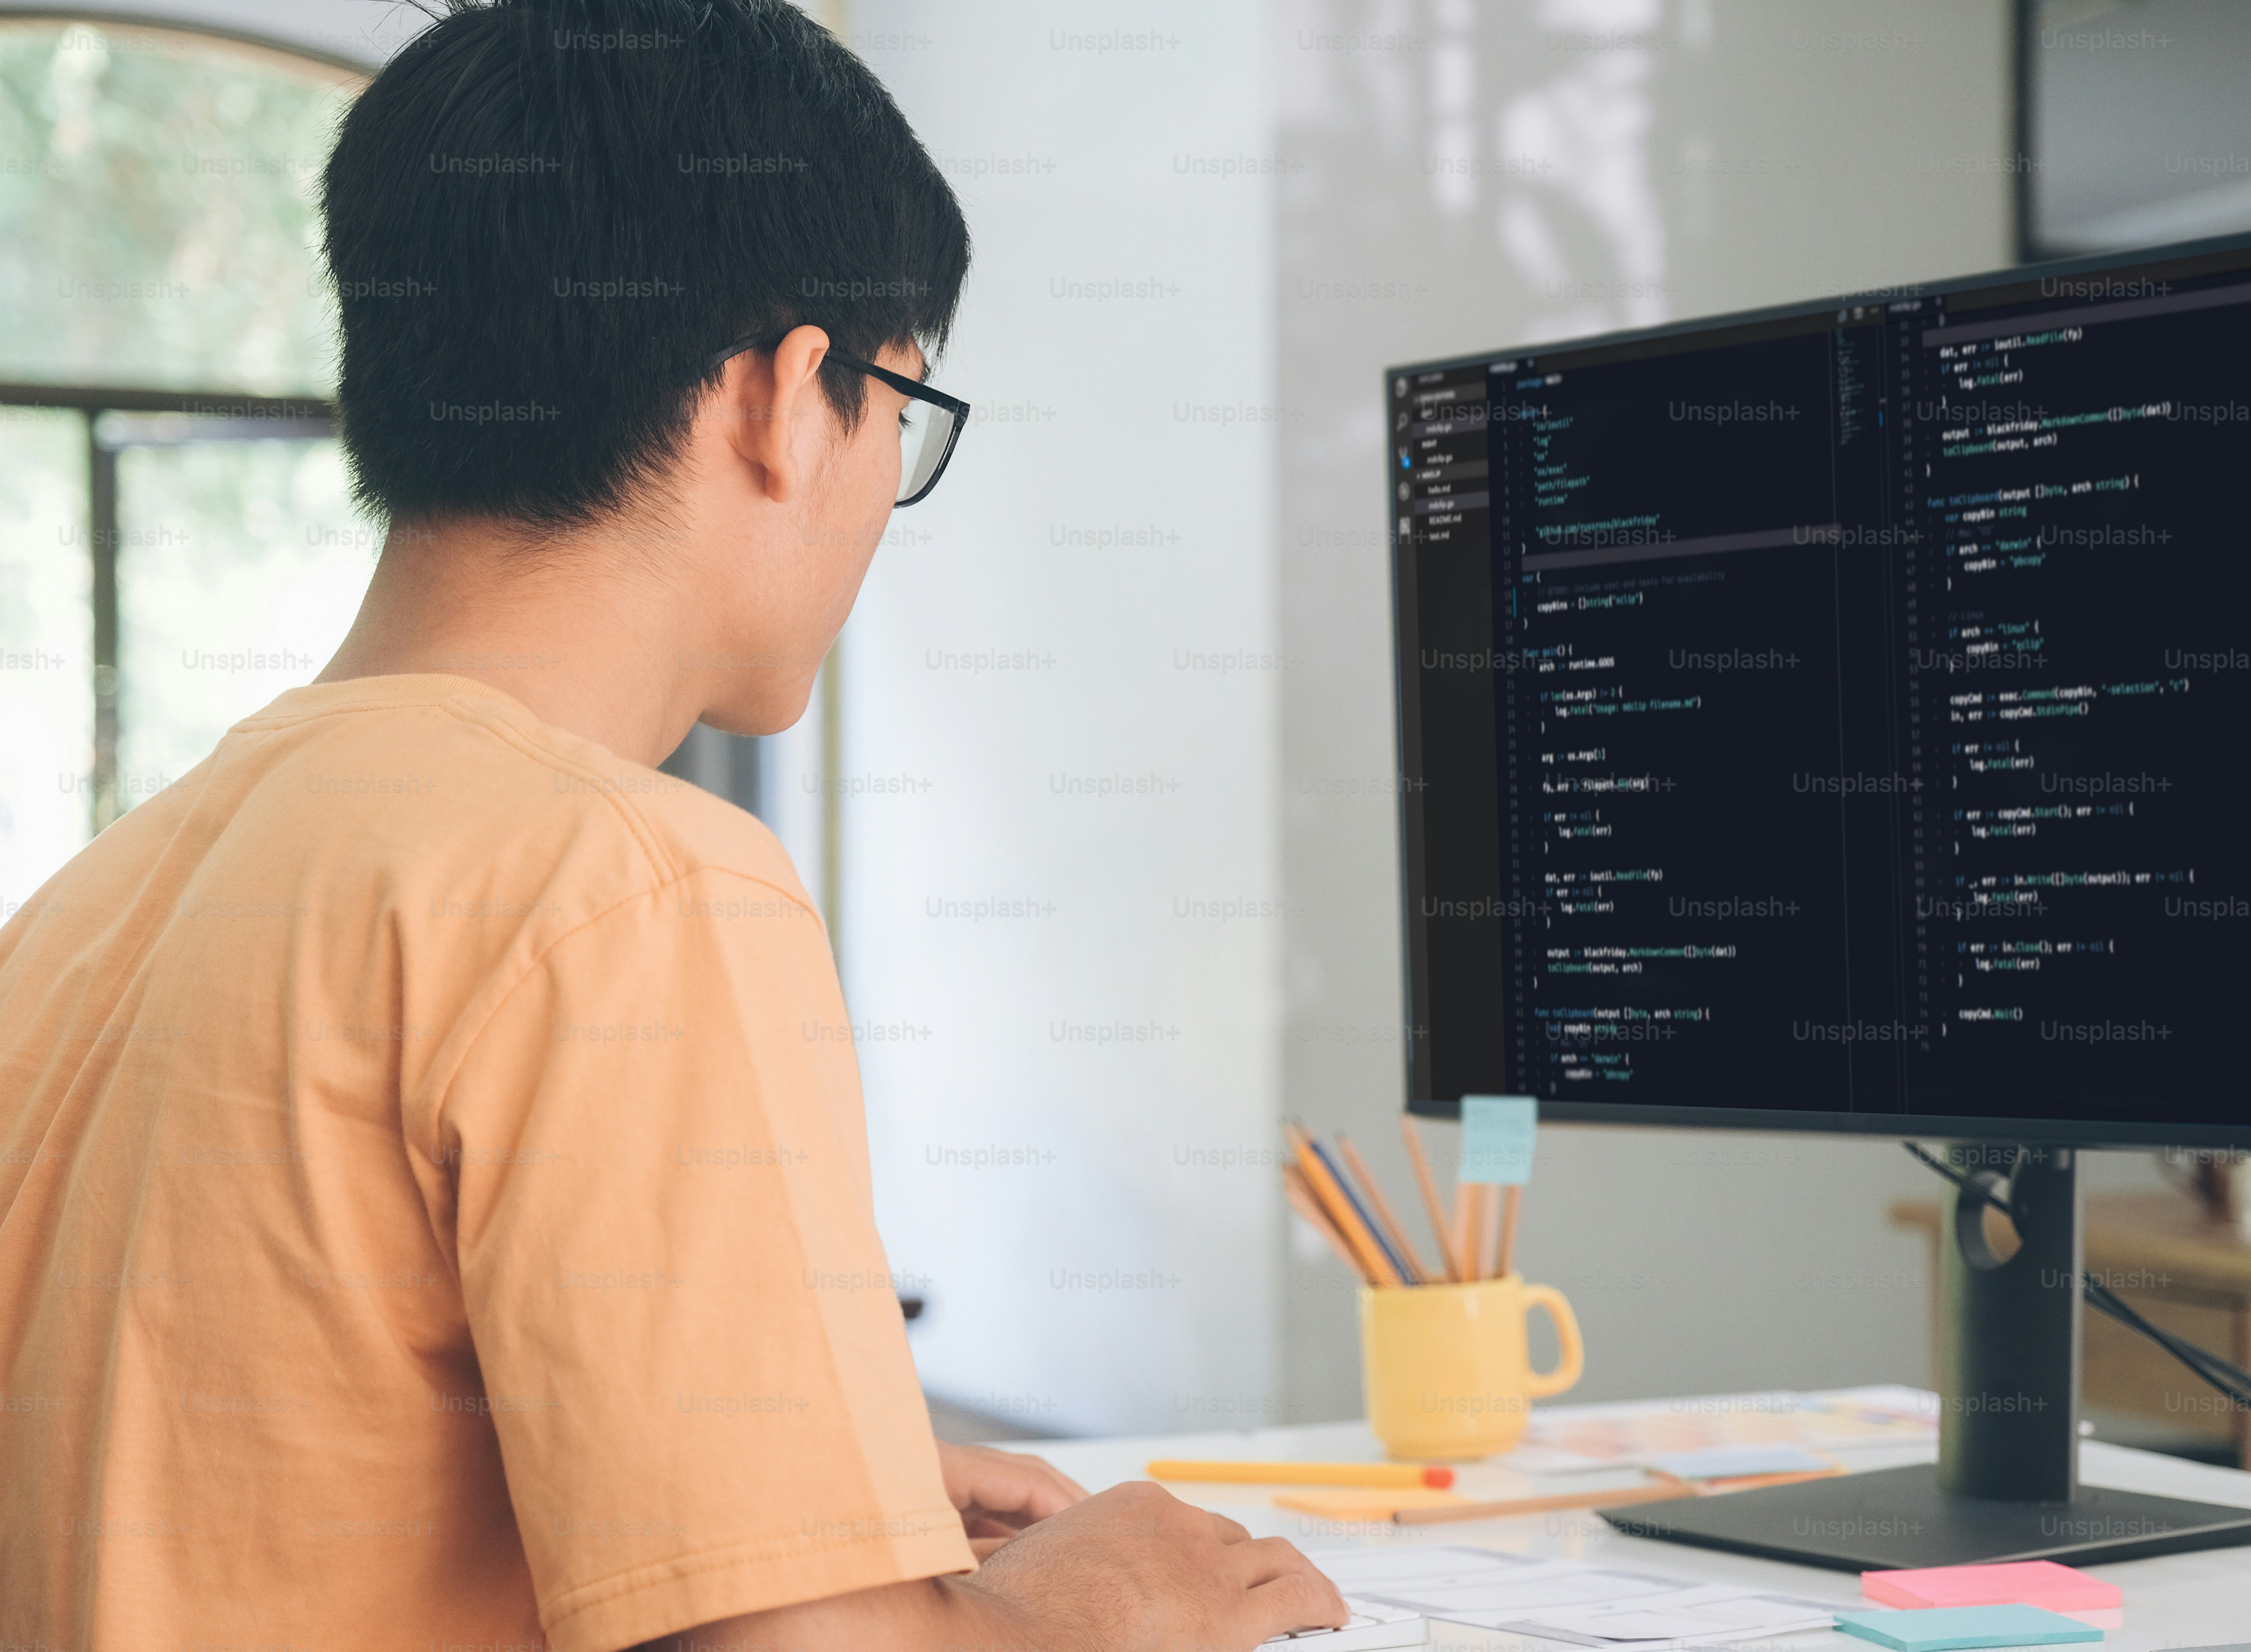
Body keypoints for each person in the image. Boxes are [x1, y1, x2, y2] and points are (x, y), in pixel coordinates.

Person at [0, 2, 1348, 1648]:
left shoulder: (99, 900)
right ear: (789, 398)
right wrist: (1093, 1604)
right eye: (902, 415)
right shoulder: (625, 880)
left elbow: (253, 1461)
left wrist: (765, 1482)